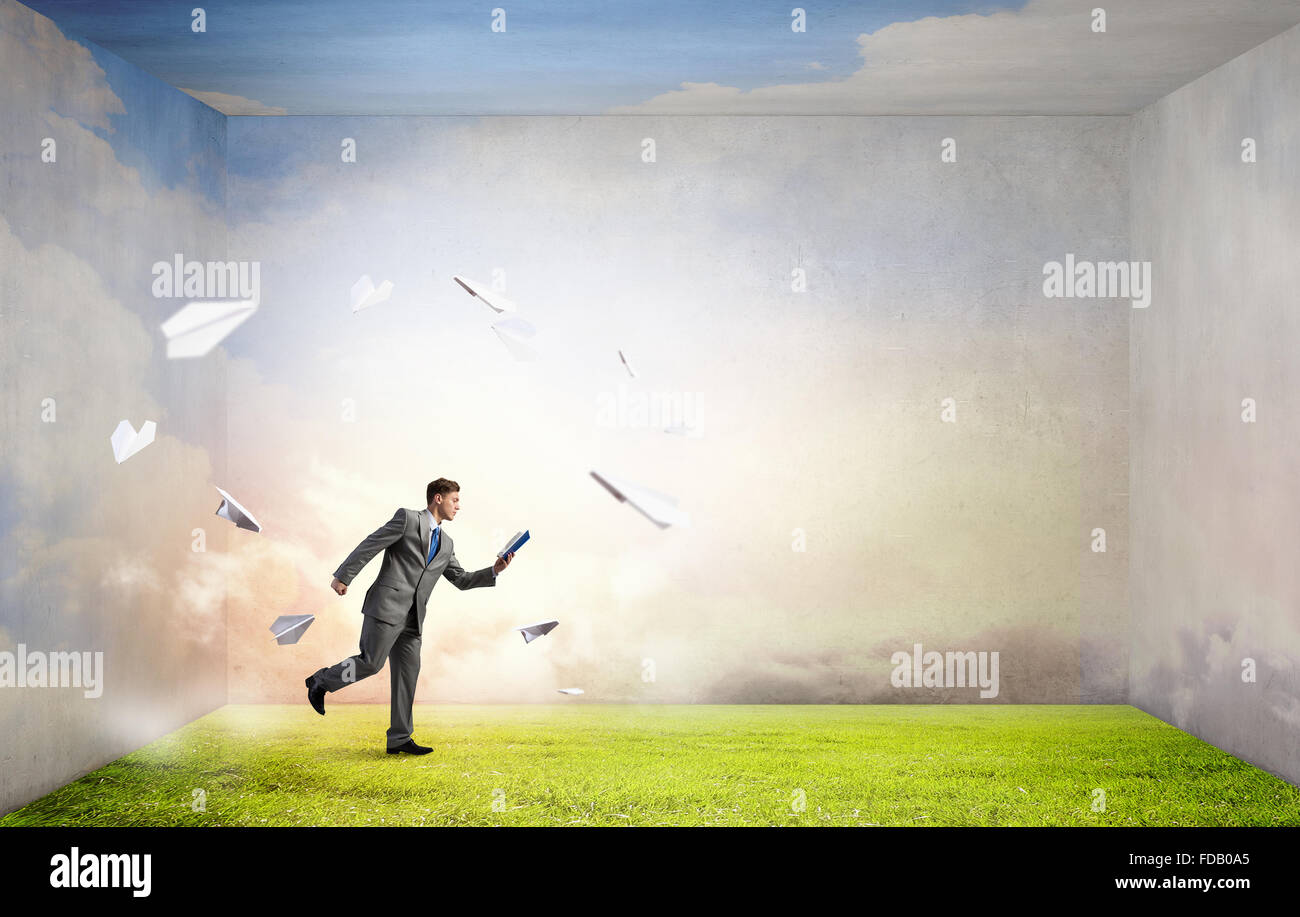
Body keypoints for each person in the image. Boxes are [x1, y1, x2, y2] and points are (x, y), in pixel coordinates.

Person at [305, 477, 514, 754]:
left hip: (413, 620)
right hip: (385, 606)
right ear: (438, 498)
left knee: (407, 675)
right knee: (370, 663)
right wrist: (344, 576)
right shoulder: (407, 519)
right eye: (455, 500)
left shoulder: (447, 543)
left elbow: (461, 579)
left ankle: (400, 738)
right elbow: (371, 544)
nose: (458, 506)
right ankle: (322, 680)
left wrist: (494, 570)